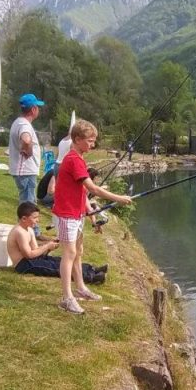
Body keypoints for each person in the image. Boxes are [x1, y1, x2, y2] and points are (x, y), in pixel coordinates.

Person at [52, 119, 132, 314]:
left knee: (78, 252)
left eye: (94, 140)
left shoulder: (78, 158)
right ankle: (66, 298)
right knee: (69, 254)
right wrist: (119, 198)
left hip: (76, 213)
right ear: (77, 139)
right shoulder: (73, 159)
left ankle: (80, 289)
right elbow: (92, 188)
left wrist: (90, 214)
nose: (93, 144)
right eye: (90, 140)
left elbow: (82, 192)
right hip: (66, 214)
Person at [7, 202, 108, 285]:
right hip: (24, 265)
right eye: (35, 218)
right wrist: (47, 246)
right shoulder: (19, 232)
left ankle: (92, 269)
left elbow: (35, 250)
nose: (38, 220)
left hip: (32, 260)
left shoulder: (29, 229)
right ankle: (92, 277)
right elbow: (28, 255)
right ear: (24, 218)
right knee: (56, 268)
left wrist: (49, 246)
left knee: (61, 261)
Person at [8, 93, 44, 204]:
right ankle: (29, 222)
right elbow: (26, 139)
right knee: (29, 206)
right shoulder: (24, 125)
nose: (38, 110)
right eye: (37, 107)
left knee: (26, 204)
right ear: (33, 109)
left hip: (23, 171)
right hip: (26, 171)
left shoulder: (18, 122)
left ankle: (26, 221)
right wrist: (28, 150)